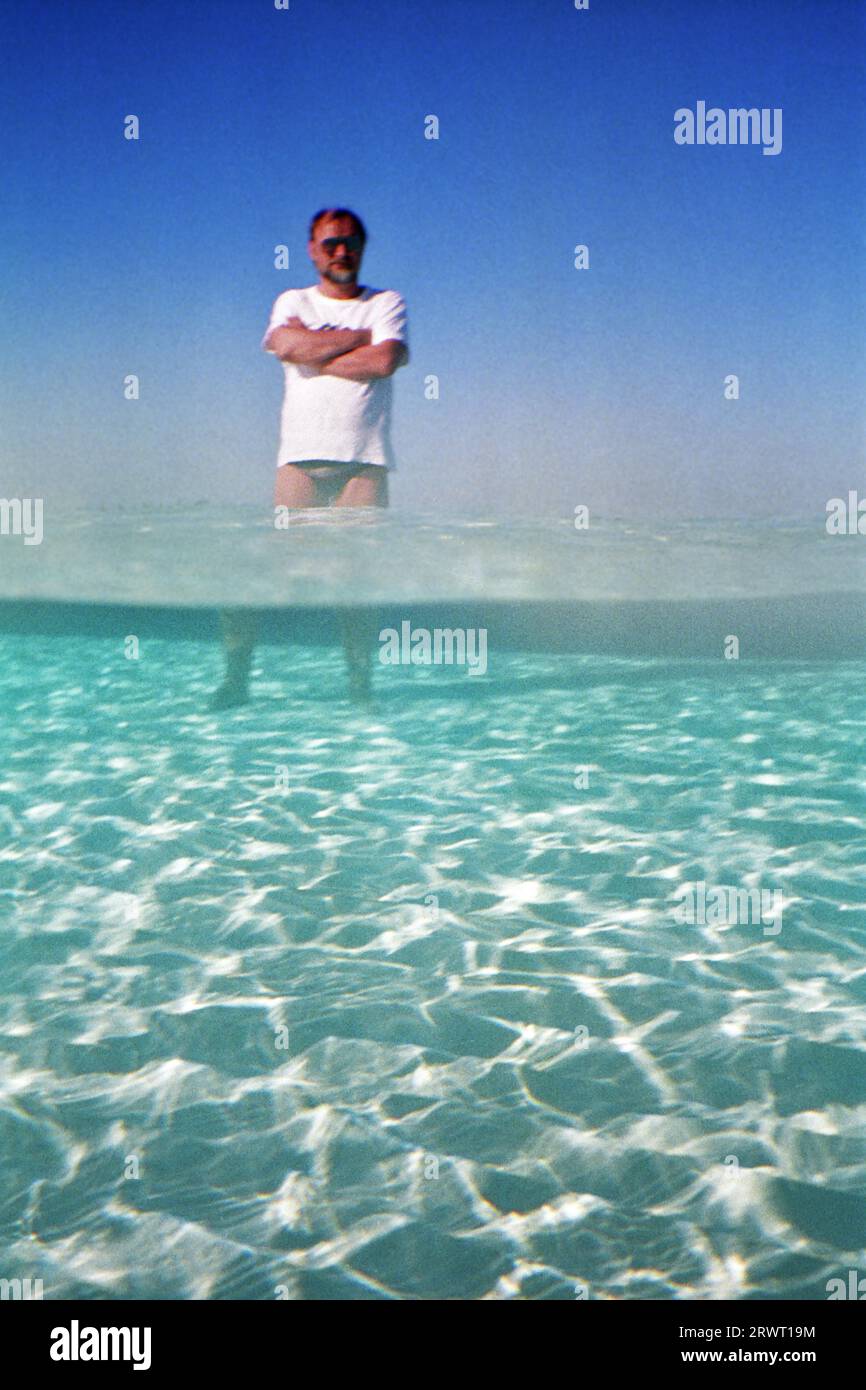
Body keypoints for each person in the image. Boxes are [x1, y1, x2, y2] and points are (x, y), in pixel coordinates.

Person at [210, 207, 409, 709]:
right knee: (252, 576)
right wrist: (356, 340)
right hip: (298, 465)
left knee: (357, 588)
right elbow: (285, 346)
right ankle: (236, 680)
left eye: (349, 241)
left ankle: (360, 689)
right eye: (329, 243)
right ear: (311, 249)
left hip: (362, 468)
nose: (340, 251)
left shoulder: (386, 302)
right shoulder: (291, 299)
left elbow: (385, 360)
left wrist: (317, 351)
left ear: (362, 247)